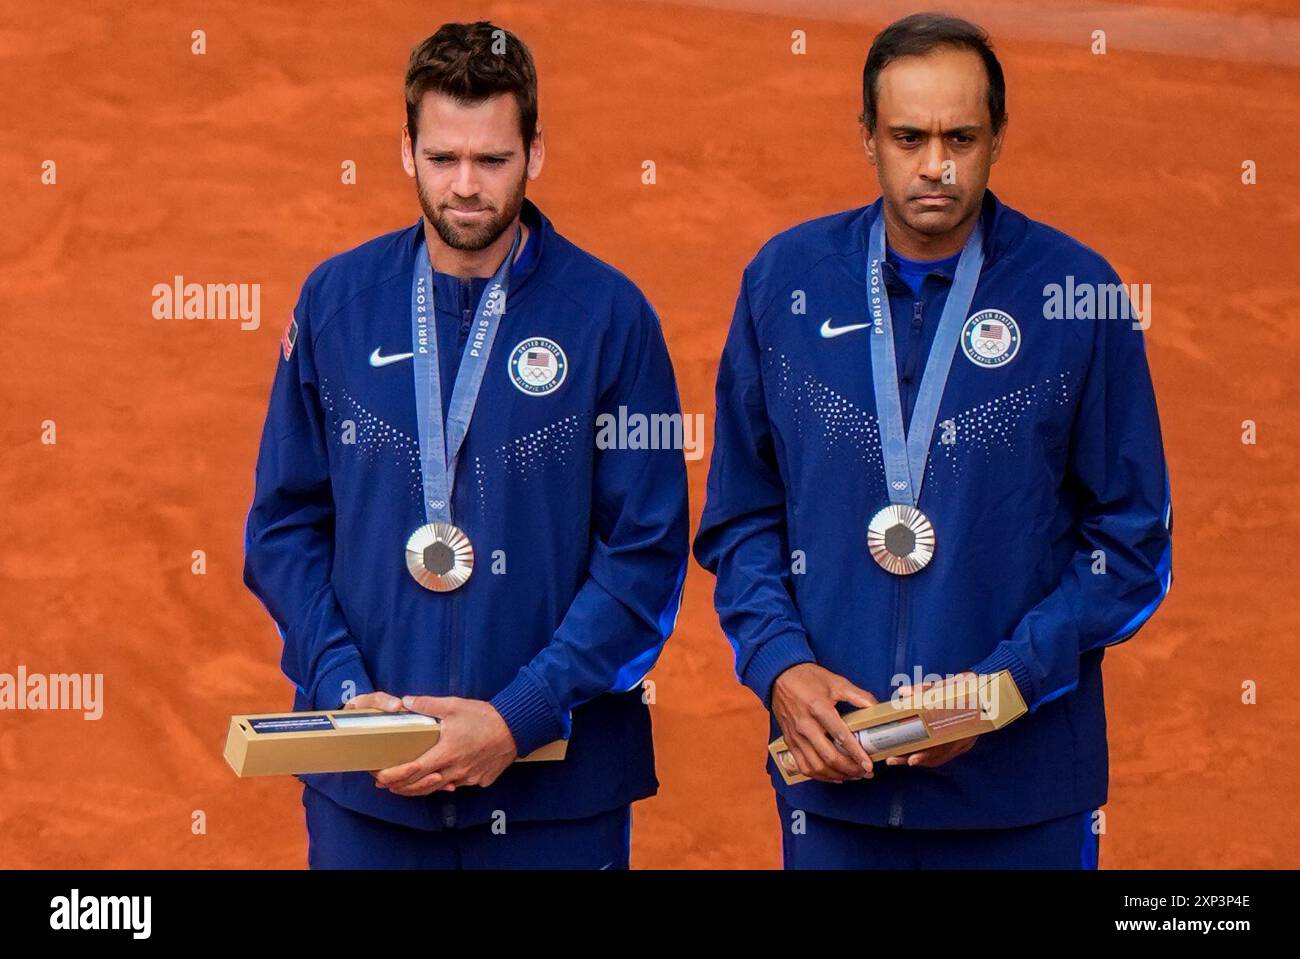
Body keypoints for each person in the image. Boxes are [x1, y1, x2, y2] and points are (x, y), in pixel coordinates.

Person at [693, 12, 1172, 869]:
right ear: (867, 137)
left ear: (999, 138)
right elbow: (742, 517)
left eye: (962, 137)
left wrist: (1005, 688)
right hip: (835, 791)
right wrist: (779, 666)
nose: (937, 167)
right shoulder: (783, 282)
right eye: (909, 137)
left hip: (1020, 804)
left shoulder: (1079, 296)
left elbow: (1131, 545)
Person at [244, 20, 689, 869]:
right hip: (370, 788)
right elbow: (282, 527)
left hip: (556, 798)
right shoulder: (336, 304)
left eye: (493, 160)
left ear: (536, 152)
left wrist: (520, 712)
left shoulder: (613, 319)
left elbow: (646, 554)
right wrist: (343, 689)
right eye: (443, 158)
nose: (466, 188)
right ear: (405, 152)